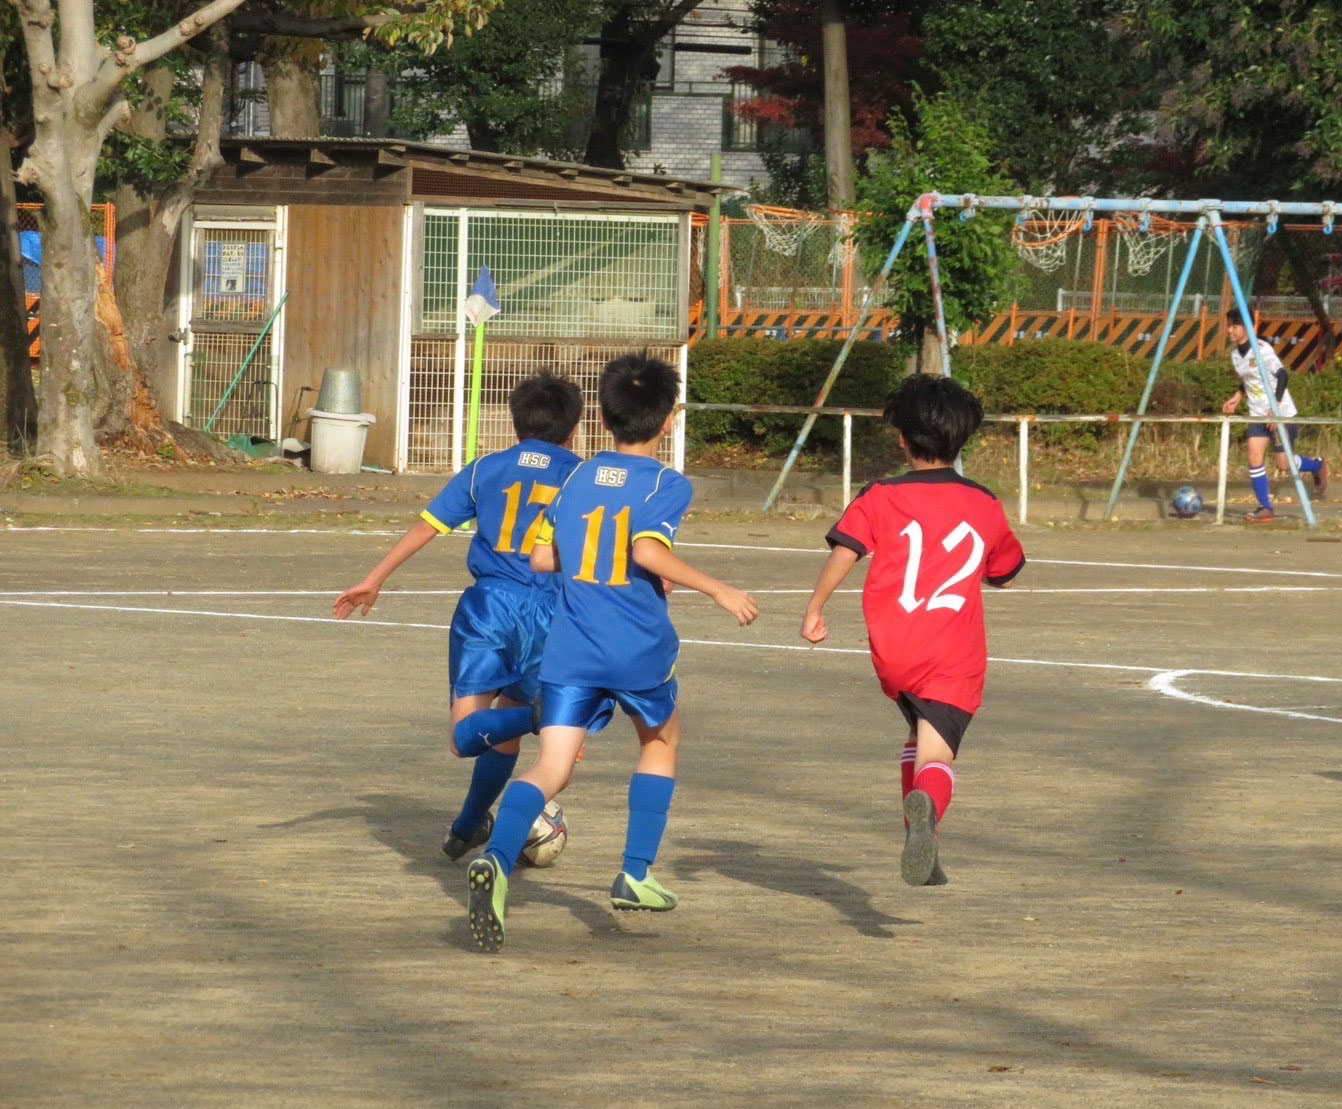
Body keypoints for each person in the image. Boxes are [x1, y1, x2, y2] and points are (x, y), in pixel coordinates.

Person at [466, 352, 759, 954]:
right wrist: (718, 588)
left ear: (602, 415)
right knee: (661, 739)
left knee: (551, 768)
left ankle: (496, 859)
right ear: (670, 419)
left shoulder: (574, 477)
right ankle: (635, 872)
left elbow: (543, 558)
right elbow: (649, 551)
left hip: (571, 648)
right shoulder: (667, 483)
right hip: (636, 646)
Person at [334, 369, 595, 862]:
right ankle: (543, 720)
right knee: (548, 751)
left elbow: (428, 525)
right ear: (574, 429)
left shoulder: (484, 469)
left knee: (468, 738)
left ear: (515, 424)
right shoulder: (580, 475)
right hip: (555, 616)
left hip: (488, 609)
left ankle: (467, 827)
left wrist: (375, 577)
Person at [800, 373, 1025, 887]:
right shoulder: (984, 503)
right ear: (963, 436)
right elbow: (1005, 572)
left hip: (894, 648)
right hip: (953, 652)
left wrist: (815, 607)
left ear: (901, 438)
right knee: (937, 758)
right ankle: (927, 808)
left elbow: (846, 550)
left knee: (916, 732)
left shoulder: (880, 495)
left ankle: (922, 842)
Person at [1222, 310, 1329, 522]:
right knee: (1254, 457)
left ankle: (1318, 466)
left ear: (1248, 328)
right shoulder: (1235, 354)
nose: (1229, 330)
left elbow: (1282, 376)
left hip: (1281, 413)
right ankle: (1265, 507)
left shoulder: (1262, 349)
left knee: (1283, 464)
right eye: (1229, 326)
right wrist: (1237, 396)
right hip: (1258, 414)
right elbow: (1250, 380)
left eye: (1235, 326)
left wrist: (1275, 409)